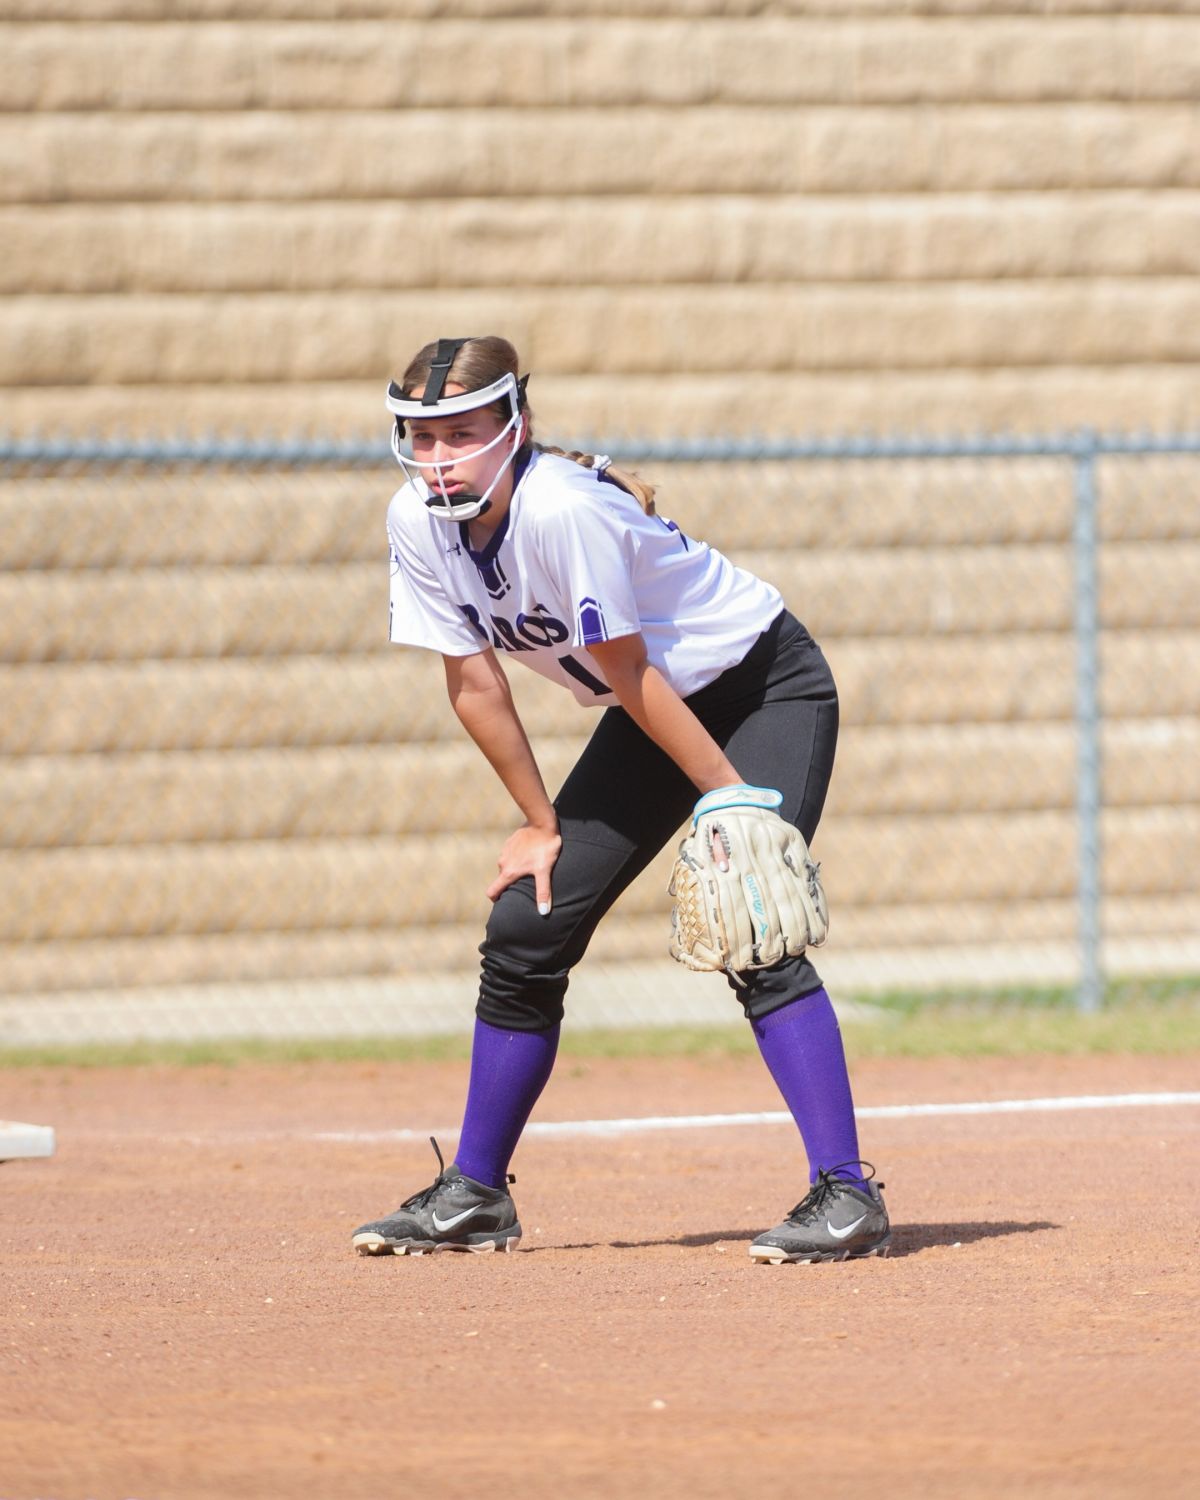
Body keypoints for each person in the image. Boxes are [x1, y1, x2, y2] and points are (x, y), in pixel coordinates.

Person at [352, 335, 889, 1265]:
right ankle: (475, 1193)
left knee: (749, 907)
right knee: (527, 927)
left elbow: (628, 671)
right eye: (423, 436)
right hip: (655, 710)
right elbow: (475, 683)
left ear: (513, 426)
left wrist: (731, 804)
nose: (438, 457)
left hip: (759, 686)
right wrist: (539, 823)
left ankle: (846, 1192)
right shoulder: (418, 520)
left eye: (462, 433)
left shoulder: (558, 509)